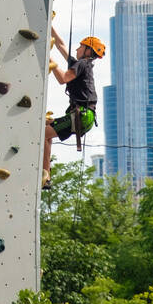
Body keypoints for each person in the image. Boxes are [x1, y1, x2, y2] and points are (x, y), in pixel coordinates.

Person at [42, 32, 105, 188]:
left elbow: (63, 79)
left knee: (43, 133)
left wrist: (49, 59)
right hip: (83, 116)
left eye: (81, 46)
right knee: (45, 130)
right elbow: (60, 44)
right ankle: (45, 176)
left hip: (81, 115)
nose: (77, 49)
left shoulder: (82, 64)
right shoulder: (82, 65)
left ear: (88, 51)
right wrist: (50, 26)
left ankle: (46, 175)